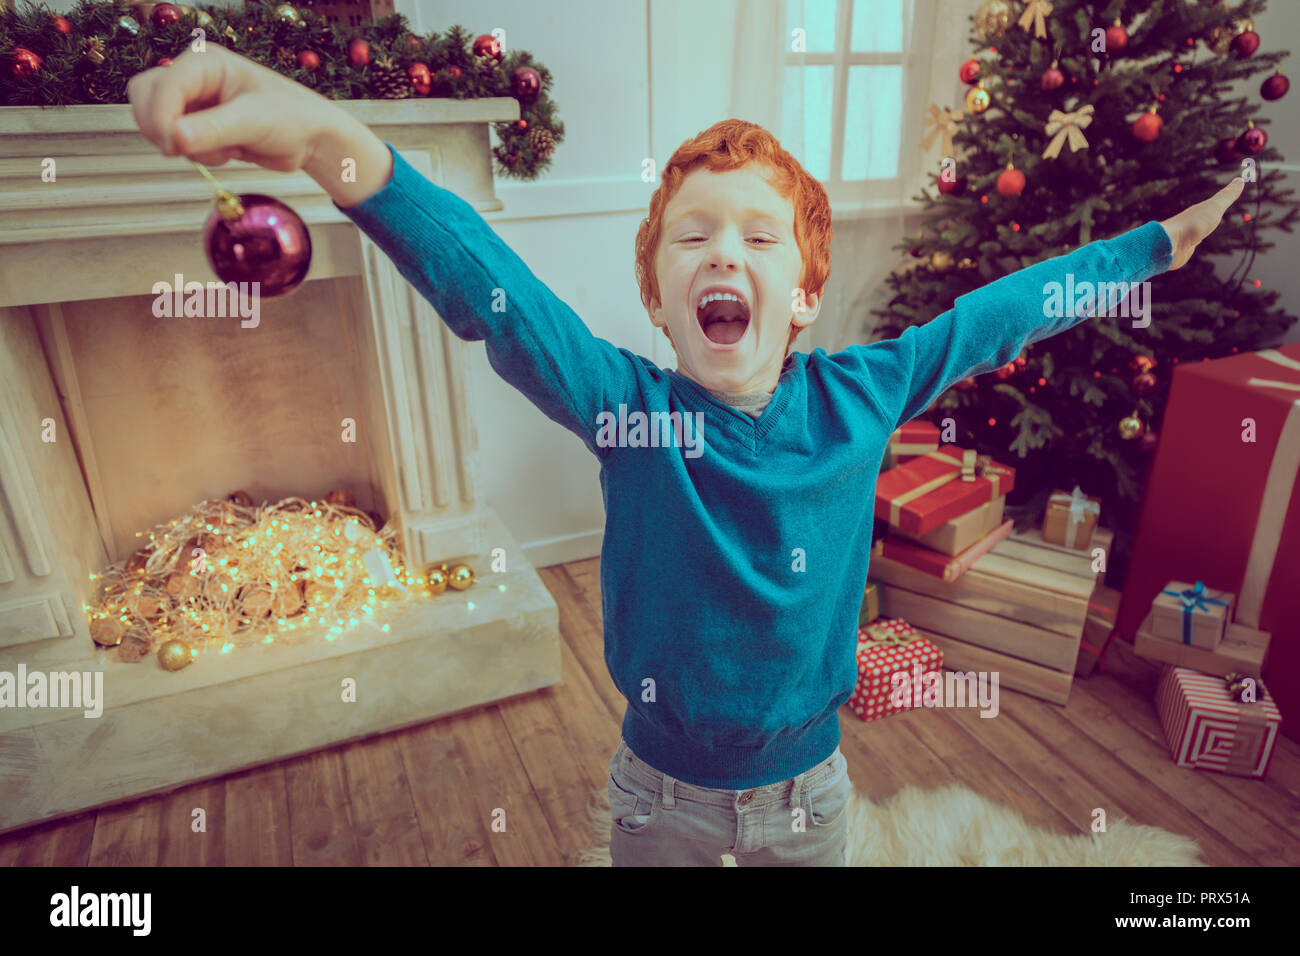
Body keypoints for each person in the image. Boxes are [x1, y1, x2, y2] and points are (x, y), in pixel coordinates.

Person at [128, 43, 1245, 867]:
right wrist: (328, 141)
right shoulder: (628, 408)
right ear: (658, 298)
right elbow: (493, 299)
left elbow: (999, 314)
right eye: (692, 238)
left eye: (758, 237)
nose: (725, 253)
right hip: (657, 796)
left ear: (802, 294)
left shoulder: (865, 393)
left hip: (812, 799)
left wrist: (1154, 245)